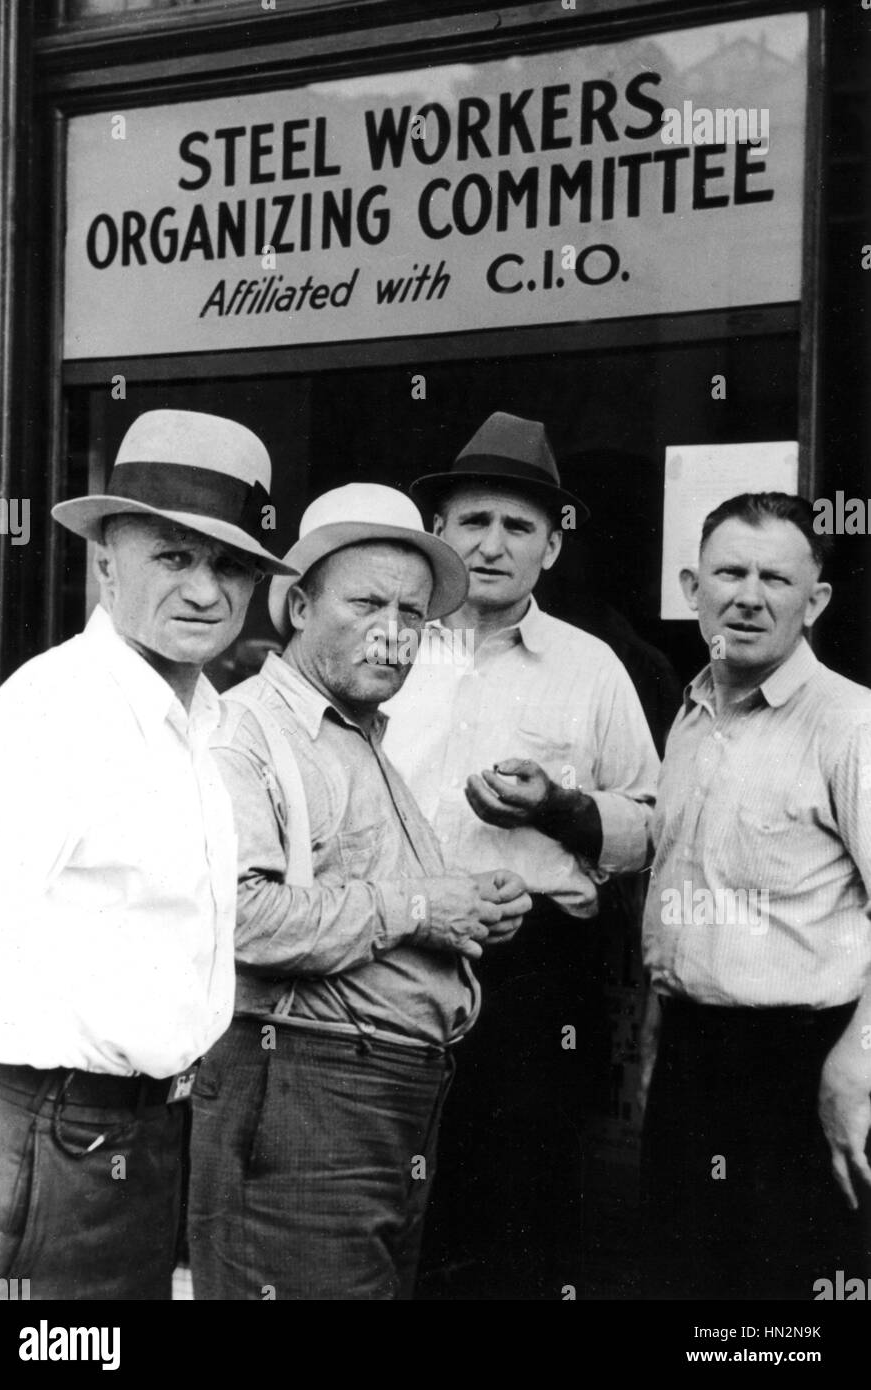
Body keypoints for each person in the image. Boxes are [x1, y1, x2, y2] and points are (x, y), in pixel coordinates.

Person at [0, 408, 294, 1300]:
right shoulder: (57, 713)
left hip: (146, 1133)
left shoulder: (200, 719)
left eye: (229, 565)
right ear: (106, 563)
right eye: (174, 557)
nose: (205, 591)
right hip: (52, 1133)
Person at [187, 482, 532, 1301]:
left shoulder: (359, 735)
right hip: (303, 1092)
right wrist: (423, 906)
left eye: (413, 613)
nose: (393, 632)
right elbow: (242, 918)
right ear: (299, 606)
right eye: (368, 603)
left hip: (376, 1100)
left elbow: (368, 896)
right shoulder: (244, 731)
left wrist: (465, 904)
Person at [383, 411, 659, 1299]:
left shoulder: (592, 667)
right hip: (394, 954)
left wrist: (561, 809)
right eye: (473, 521)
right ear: (438, 533)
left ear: (552, 546)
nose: (493, 544)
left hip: (536, 975)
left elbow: (651, 825)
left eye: (518, 526)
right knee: (391, 1199)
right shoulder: (388, 651)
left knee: (521, 1211)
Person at [640, 491, 871, 1301]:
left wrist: (857, 1062)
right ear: (691, 587)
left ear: (817, 600)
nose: (748, 596)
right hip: (692, 1058)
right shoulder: (692, 715)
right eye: (729, 573)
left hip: (803, 1063)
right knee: (687, 1293)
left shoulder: (851, 725)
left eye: (776, 579)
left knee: (782, 1315)